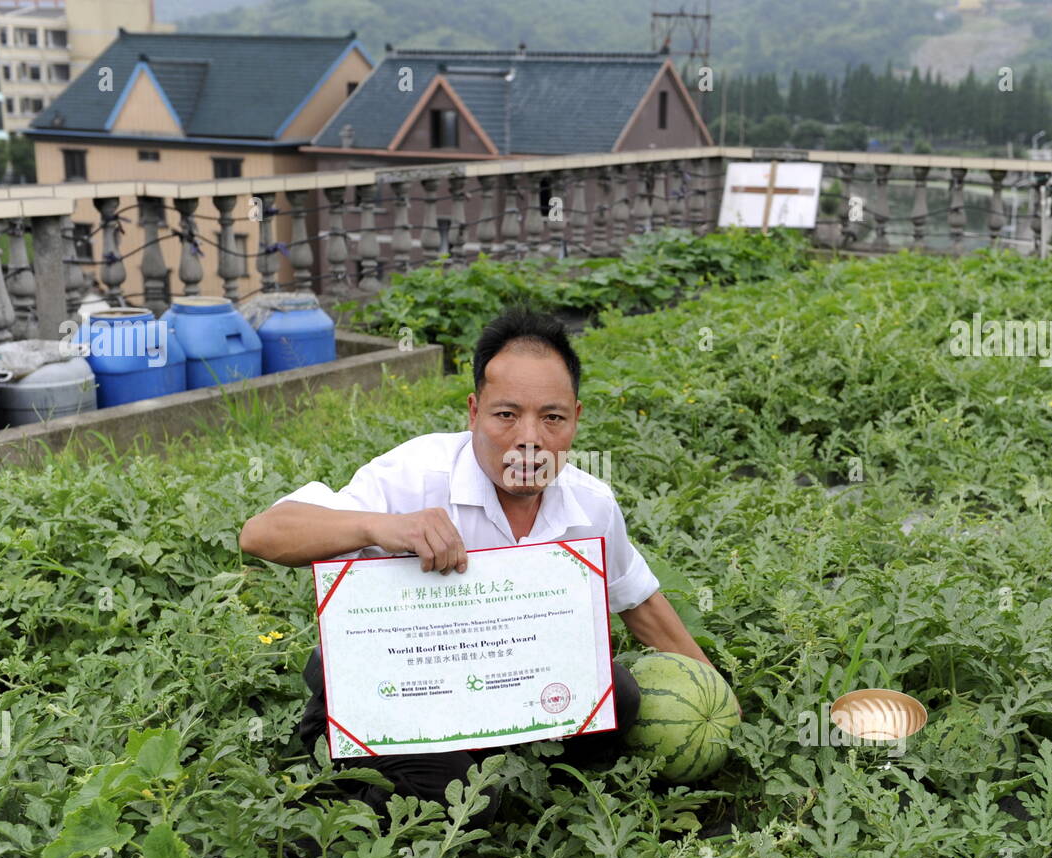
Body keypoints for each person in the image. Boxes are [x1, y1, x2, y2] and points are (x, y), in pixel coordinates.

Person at [238, 307, 718, 831]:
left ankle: (494, 760)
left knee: (620, 696)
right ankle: (335, 791)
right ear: (473, 411)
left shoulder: (590, 504)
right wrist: (380, 527)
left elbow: (640, 601)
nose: (529, 439)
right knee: (468, 804)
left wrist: (719, 701)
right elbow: (262, 534)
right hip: (387, 693)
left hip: (496, 687)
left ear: (576, 418)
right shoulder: (416, 475)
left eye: (552, 418)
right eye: (506, 415)